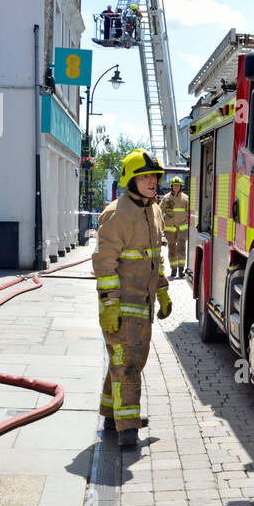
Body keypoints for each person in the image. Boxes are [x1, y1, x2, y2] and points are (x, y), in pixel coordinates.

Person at [94, 149, 171, 449]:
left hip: (144, 306)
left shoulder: (154, 211)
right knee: (126, 365)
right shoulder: (117, 214)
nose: (152, 182)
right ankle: (128, 428)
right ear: (130, 179)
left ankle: (112, 414)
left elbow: (157, 258)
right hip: (121, 308)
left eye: (154, 176)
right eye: (145, 177)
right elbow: (104, 263)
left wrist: (163, 290)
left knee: (128, 362)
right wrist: (110, 304)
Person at [160, 177, 190, 279]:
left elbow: (190, 213)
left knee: (182, 249)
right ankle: (173, 270)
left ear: (181, 187)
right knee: (172, 249)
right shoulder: (166, 198)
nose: (176, 187)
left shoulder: (186, 198)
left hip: (182, 228)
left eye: (178, 185)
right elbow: (160, 212)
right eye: (174, 185)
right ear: (171, 186)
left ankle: (181, 271)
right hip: (170, 229)